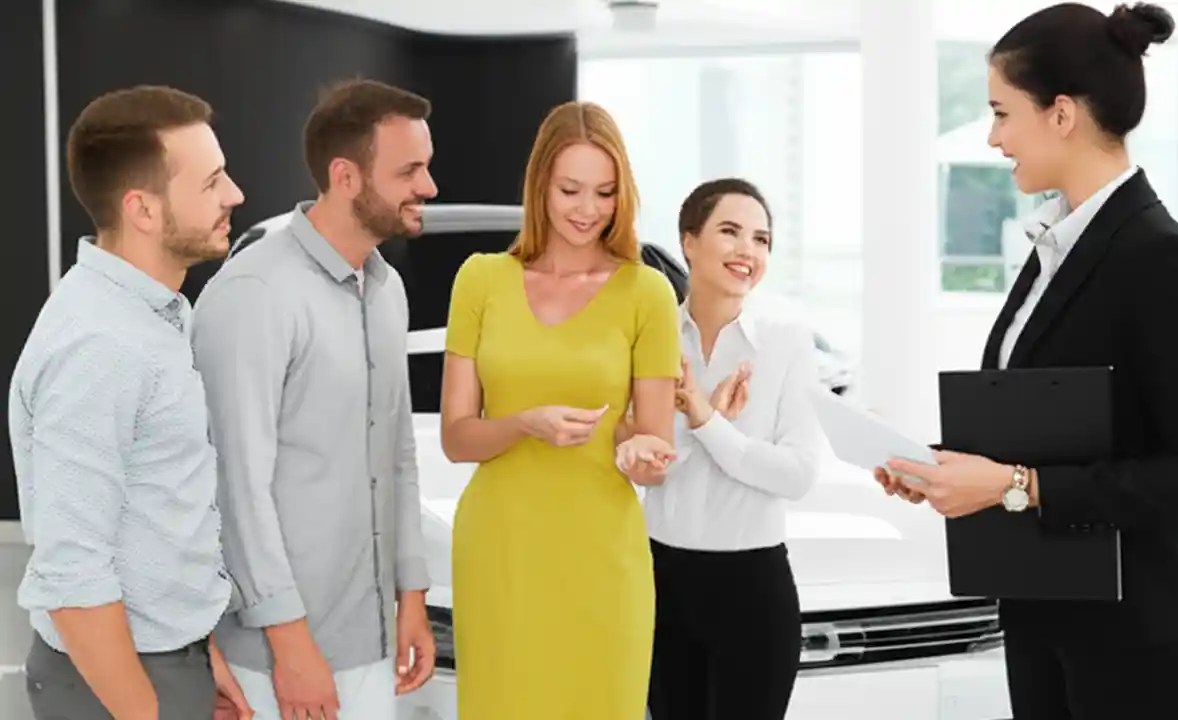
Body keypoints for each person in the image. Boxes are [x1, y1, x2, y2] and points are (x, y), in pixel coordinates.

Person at [879, 4, 1178, 719]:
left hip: (1131, 634)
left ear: (1061, 114)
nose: (993, 137)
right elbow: (1054, 430)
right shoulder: (1058, 244)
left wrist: (1014, 486)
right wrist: (946, 470)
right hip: (1045, 613)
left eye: (1001, 112)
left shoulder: (1153, 254)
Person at [190, 78, 438, 720]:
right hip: (277, 654)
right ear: (346, 176)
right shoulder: (254, 293)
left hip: (371, 641)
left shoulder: (386, 291)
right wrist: (289, 642)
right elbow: (235, 488)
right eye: (410, 170)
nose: (429, 188)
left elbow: (398, 455)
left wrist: (412, 596)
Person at [9, 86, 251, 719]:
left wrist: (198, 656)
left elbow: (157, 520)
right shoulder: (100, 345)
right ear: (143, 209)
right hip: (113, 685)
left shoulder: (153, 316)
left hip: (161, 663)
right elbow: (73, 575)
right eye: (213, 182)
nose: (235, 196)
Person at [440, 100, 681, 719]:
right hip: (502, 549)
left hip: (602, 551)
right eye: (570, 189)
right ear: (539, 184)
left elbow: (655, 448)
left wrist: (639, 451)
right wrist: (524, 423)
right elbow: (458, 438)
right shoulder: (480, 280)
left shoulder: (646, 292)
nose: (587, 209)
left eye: (604, 192)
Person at [642, 178, 822, 720]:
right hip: (660, 580)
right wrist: (709, 426)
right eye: (730, 231)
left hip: (752, 588)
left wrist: (704, 418)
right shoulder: (652, 339)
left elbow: (797, 474)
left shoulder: (786, 343)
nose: (748, 250)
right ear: (688, 241)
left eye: (762, 239)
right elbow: (647, 467)